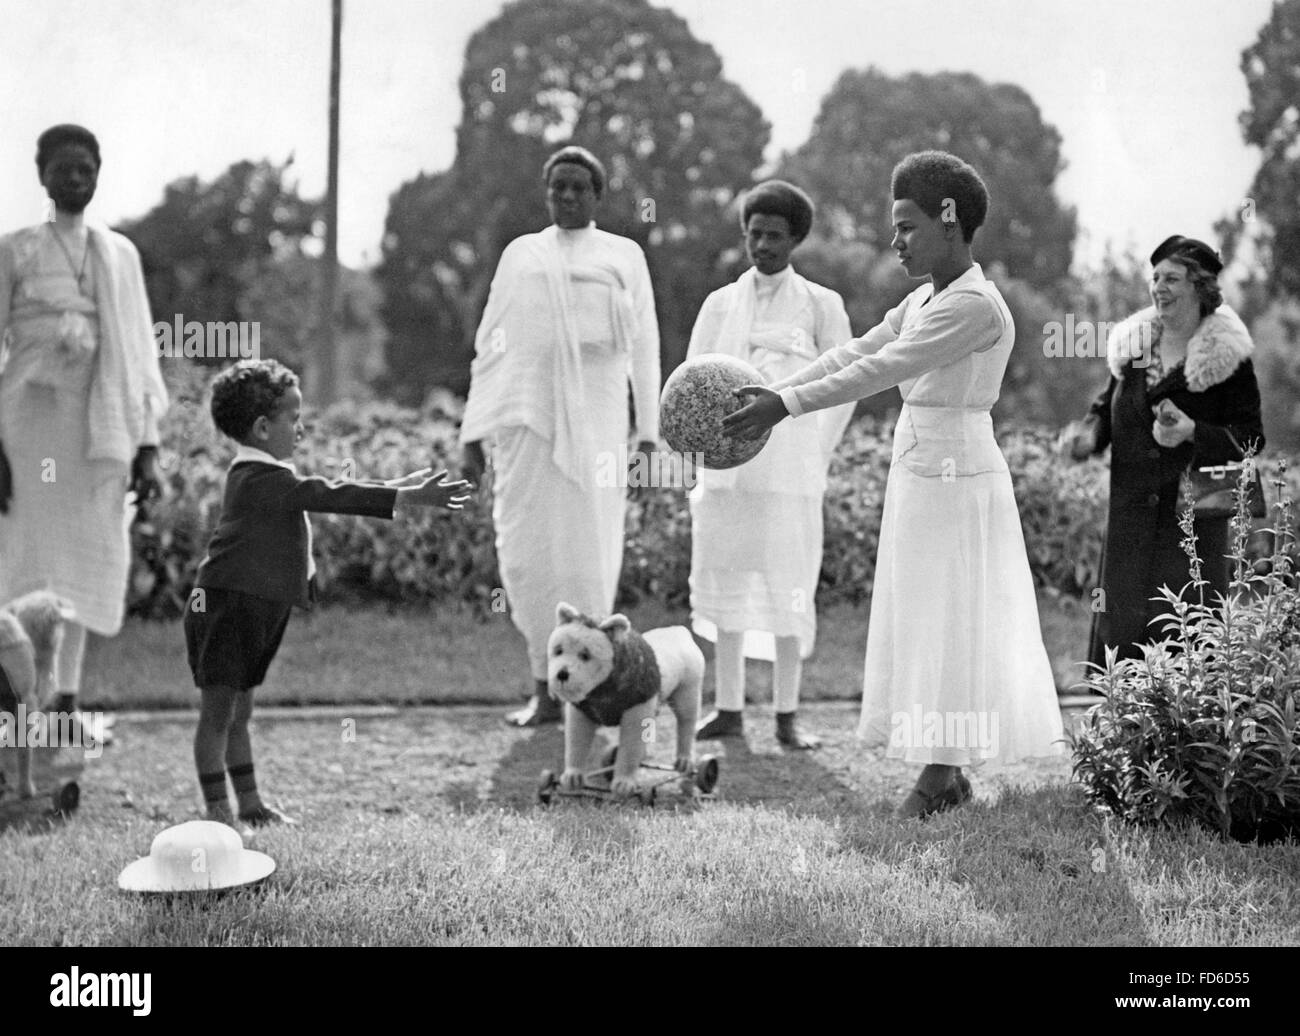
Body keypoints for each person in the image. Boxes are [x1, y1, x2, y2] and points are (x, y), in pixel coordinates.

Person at [724, 151, 1064, 816]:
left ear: (950, 221)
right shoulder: (923, 298)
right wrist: (774, 388)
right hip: (918, 470)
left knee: (949, 617)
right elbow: (851, 351)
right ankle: (944, 769)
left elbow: (882, 370)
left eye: (906, 226)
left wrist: (782, 409)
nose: (896, 240)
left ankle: (939, 775)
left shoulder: (973, 307)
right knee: (921, 616)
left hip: (958, 475)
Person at [187, 359, 470, 828]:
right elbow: (328, 493)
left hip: (253, 608)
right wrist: (404, 497)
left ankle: (250, 804)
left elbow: (328, 491)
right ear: (261, 427)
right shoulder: (259, 478)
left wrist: (402, 488)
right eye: (293, 418)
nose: (301, 427)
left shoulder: (270, 476)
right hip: (226, 606)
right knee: (218, 713)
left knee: (240, 712)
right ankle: (219, 815)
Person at [459, 146, 661, 727]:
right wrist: (473, 431)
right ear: (547, 194)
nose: (567, 196)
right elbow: (490, 346)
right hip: (526, 422)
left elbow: (644, 349)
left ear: (597, 195)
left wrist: (647, 436)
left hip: (597, 423)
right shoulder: (522, 255)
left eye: (579, 187)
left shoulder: (623, 255)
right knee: (525, 557)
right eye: (558, 188)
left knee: (588, 556)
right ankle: (543, 690)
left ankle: (594, 693)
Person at [0, 124, 168, 736]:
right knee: (23, 564)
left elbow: (139, 357)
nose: (76, 179)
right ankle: (18, 709)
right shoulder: (13, 249)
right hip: (23, 432)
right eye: (65, 168)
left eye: (87, 169)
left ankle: (65, 705)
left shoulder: (119, 253)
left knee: (79, 568)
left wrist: (146, 447)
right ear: (42, 174)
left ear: (99, 174)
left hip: (97, 434)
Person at [687, 180, 854, 749]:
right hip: (728, 476)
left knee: (788, 588)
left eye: (775, 236)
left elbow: (844, 385)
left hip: (790, 475)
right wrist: (705, 451)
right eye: (754, 234)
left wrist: (814, 454)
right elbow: (691, 382)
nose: (763, 245)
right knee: (728, 582)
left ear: (796, 239)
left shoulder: (821, 305)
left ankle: (787, 715)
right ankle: (728, 708)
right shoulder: (719, 303)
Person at [1060, 235, 1263, 670]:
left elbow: (1251, 438)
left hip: (1190, 536)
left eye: (1171, 278)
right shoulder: (1135, 350)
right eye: (1155, 279)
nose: (1159, 288)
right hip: (1130, 529)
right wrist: (1089, 436)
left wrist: (1194, 432)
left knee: (1186, 652)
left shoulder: (1228, 360)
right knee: (1122, 655)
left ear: (1200, 287)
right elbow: (1106, 410)